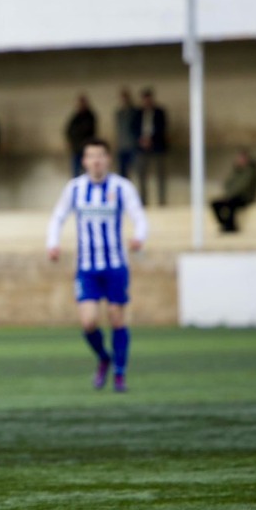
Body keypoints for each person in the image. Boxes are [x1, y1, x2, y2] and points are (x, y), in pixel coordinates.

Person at [46, 138, 148, 393]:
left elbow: (138, 215)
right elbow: (58, 216)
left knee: (116, 318)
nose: (96, 161)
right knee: (89, 322)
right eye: (91, 156)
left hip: (115, 265)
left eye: (100, 155)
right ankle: (104, 357)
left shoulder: (121, 187)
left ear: (108, 159)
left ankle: (120, 374)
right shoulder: (75, 188)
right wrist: (53, 243)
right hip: (87, 267)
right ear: (84, 161)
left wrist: (139, 237)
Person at [211, 150, 256, 233]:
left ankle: (231, 227)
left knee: (231, 204)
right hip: (233, 196)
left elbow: (242, 186)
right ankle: (225, 224)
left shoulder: (250, 171)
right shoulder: (237, 171)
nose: (240, 161)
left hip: (245, 197)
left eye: (242, 159)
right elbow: (228, 183)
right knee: (216, 204)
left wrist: (230, 195)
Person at [135, 88, 168, 206]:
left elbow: (162, 127)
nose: (147, 101)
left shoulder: (159, 112)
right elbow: (133, 129)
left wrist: (151, 139)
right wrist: (141, 140)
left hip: (157, 146)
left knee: (160, 175)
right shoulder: (138, 113)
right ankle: (143, 201)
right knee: (141, 175)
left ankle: (162, 201)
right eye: (145, 99)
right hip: (141, 147)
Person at [64, 95, 97, 177]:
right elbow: (68, 130)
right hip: (76, 148)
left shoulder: (90, 116)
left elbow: (87, 130)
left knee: (88, 170)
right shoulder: (76, 116)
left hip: (86, 148)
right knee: (75, 172)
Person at [114, 88, 140, 180]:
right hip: (122, 146)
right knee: (122, 172)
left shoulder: (135, 112)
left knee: (134, 170)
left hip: (132, 145)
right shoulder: (119, 113)